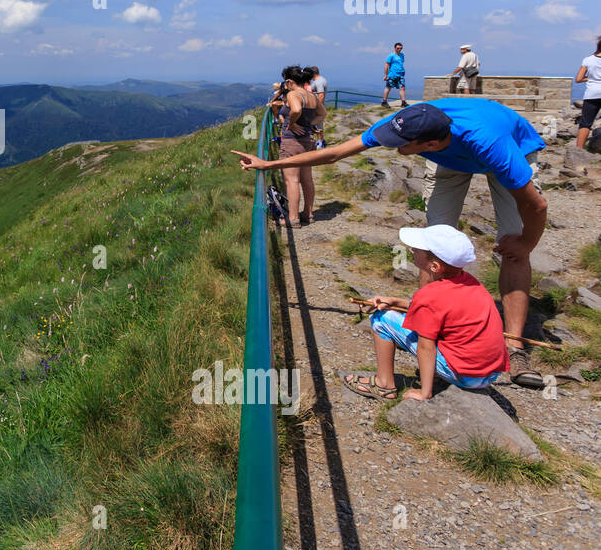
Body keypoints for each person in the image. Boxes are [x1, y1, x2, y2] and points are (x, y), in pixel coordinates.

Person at [232, 98, 547, 386]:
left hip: (506, 147)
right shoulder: (407, 121)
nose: (392, 146)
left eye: (401, 145)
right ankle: (428, 324)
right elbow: (337, 153)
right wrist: (268, 165)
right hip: (451, 155)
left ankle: (514, 347)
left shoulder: (492, 145)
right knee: (430, 245)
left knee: (513, 248)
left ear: (431, 143)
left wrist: (527, 243)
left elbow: (536, 205)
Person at [344, 225, 509, 400]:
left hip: (466, 377)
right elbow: (439, 312)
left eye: (417, 249)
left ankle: (383, 384)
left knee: (380, 318)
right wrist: (396, 302)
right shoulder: (471, 283)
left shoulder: (429, 296)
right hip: (490, 375)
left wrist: (424, 392)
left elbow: (426, 346)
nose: (412, 249)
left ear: (435, 266)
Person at [274, 66, 325, 226]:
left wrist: (291, 124)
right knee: (307, 179)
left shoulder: (293, 94)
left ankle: (293, 218)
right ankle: (308, 214)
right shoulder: (311, 96)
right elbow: (323, 114)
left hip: (292, 142)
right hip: (308, 141)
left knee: (292, 180)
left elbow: (295, 109)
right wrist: (309, 124)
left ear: (289, 81)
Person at [576, 35, 601, 149]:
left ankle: (578, 150)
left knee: (585, 123)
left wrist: (590, 78)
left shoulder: (588, 60)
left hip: (592, 94)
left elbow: (578, 79)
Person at [382, 42, 407, 107]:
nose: (399, 49)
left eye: (401, 48)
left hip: (400, 74)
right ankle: (384, 102)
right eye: (398, 48)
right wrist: (386, 74)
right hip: (392, 74)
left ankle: (403, 102)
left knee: (402, 88)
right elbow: (386, 65)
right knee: (388, 87)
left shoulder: (402, 55)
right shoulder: (391, 55)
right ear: (395, 48)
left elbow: (401, 63)